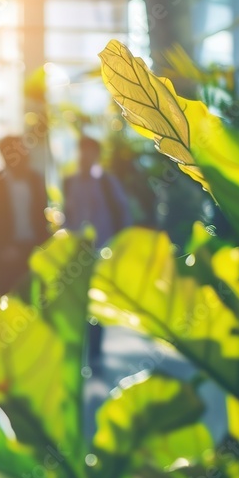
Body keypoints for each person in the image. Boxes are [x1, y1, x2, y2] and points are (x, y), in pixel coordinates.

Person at [63, 136, 133, 370]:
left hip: (101, 249)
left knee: (95, 300)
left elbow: (122, 212)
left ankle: (94, 351)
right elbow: (67, 215)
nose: (84, 156)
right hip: (77, 252)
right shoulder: (70, 182)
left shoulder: (105, 182)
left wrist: (120, 246)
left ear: (96, 155)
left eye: (89, 151)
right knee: (77, 300)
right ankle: (83, 349)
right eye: (82, 151)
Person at [0, 136, 50, 295]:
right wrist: (0, 250)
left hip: (32, 251)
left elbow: (41, 216)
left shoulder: (35, 179)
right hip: (4, 256)